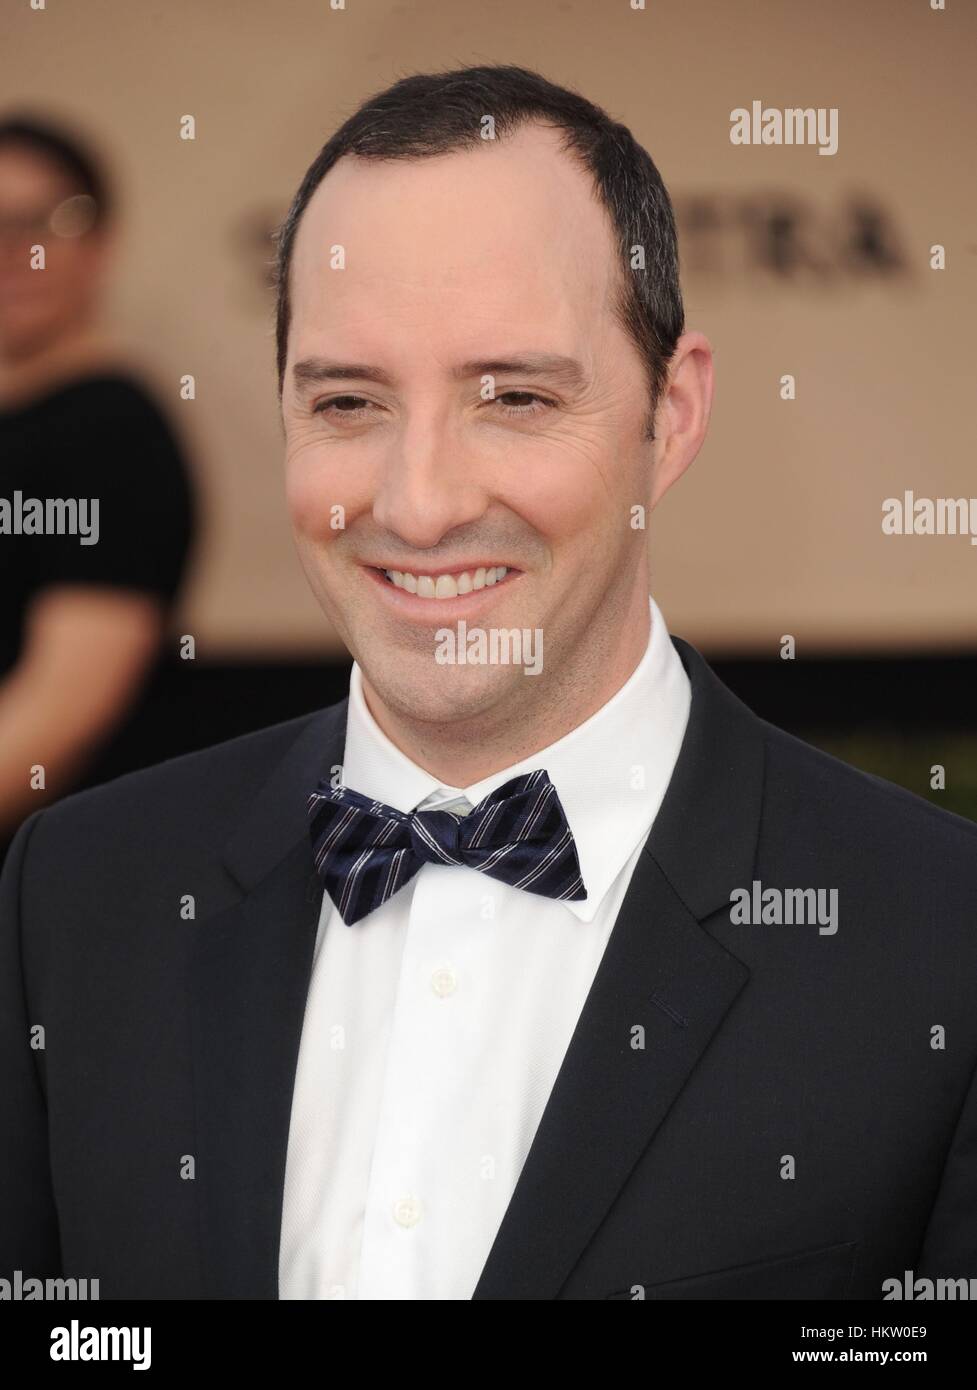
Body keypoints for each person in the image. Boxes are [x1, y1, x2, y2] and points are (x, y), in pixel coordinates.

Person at [1, 65, 975, 1302]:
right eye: (348, 401)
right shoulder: (77, 897)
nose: (419, 502)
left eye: (512, 397)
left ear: (667, 420)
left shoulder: (942, 939)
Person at [0, 115, 196, 860]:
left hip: (55, 876)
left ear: (101, 244)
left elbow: (56, 714)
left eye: (46, 222)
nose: (17, 252)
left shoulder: (111, 432)